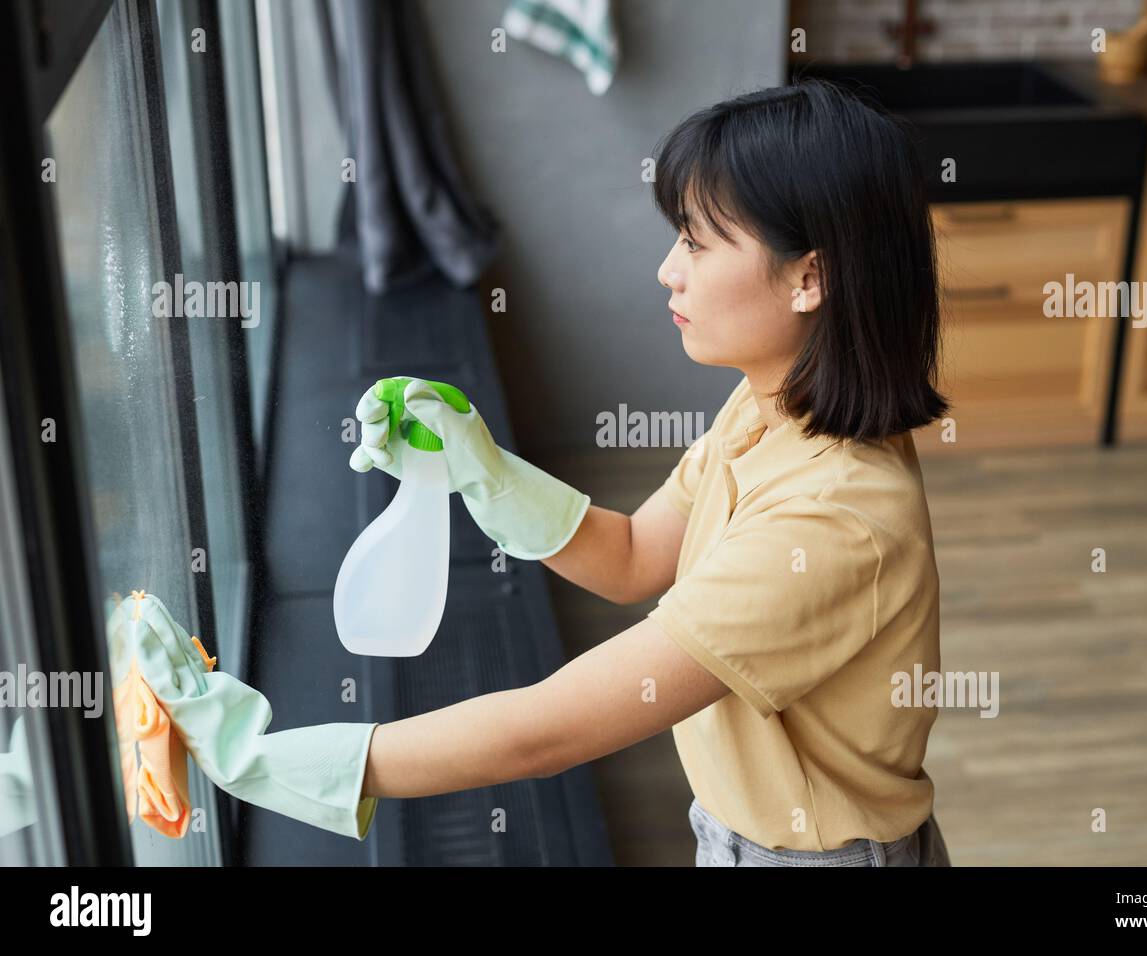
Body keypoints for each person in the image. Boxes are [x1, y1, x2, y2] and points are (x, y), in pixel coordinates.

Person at [122, 78, 952, 866]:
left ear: (810, 278)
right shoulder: (769, 405)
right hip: (745, 833)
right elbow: (631, 557)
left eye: (698, 242)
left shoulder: (832, 519)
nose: (669, 269)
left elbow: (544, 732)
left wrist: (265, 760)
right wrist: (478, 468)